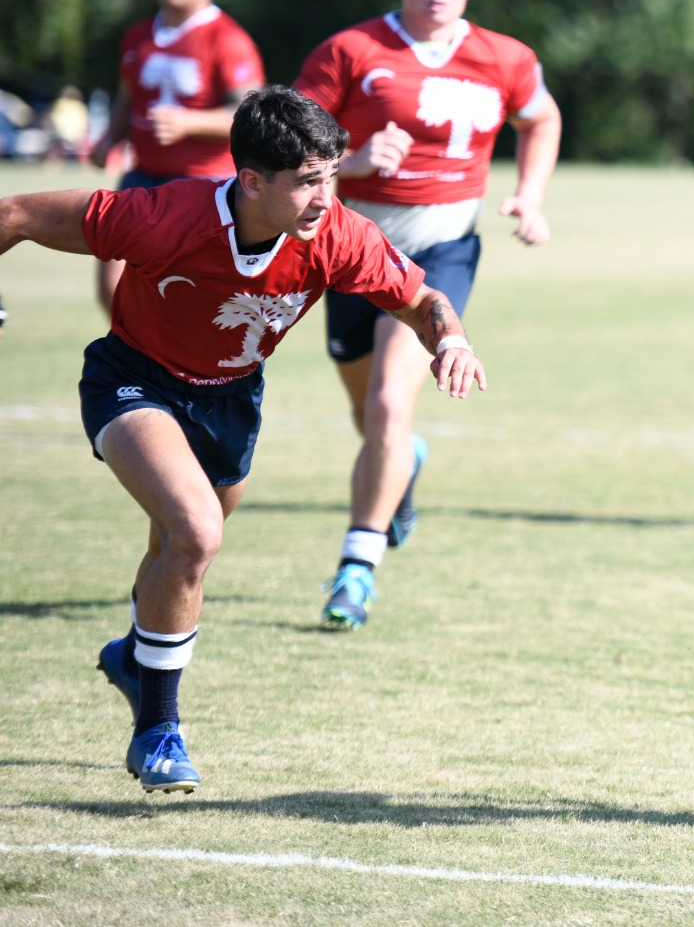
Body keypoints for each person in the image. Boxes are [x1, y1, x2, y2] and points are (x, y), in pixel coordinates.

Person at [0, 86, 485, 792]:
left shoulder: (338, 235)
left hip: (230, 400)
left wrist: (452, 339)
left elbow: (422, 301)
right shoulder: (165, 215)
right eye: (308, 181)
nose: (327, 195)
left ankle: (138, 660)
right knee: (195, 532)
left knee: (175, 550)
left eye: (331, 175)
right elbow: (13, 213)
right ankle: (158, 731)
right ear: (251, 182)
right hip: (134, 380)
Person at [293, 0, 559, 629]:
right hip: (351, 251)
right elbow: (288, 146)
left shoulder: (504, 56)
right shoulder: (351, 51)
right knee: (371, 412)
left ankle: (357, 566)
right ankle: (402, 465)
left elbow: (541, 118)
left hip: (440, 254)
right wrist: (349, 160)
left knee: (386, 401)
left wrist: (529, 196)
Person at [88, 0, 266, 313]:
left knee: (191, 293)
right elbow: (127, 97)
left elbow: (252, 115)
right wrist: (110, 138)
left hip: (204, 184)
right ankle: (138, 359)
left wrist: (189, 122)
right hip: (142, 176)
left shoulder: (228, 38)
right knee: (112, 283)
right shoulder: (138, 35)